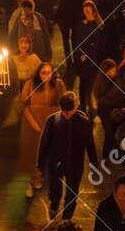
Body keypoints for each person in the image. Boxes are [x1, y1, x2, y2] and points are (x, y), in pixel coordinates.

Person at [37, 92, 95, 221]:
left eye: (69, 111)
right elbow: (44, 143)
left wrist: (94, 163)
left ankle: (66, 219)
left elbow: (89, 144)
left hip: (75, 164)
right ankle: (54, 206)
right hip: (56, 162)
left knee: (72, 193)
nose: (66, 114)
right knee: (55, 188)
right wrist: (40, 163)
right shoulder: (52, 121)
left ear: (75, 107)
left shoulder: (84, 122)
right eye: (64, 111)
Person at [18, 62, 66, 193]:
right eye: (43, 72)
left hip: (50, 122)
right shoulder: (30, 84)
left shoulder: (58, 84)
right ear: (38, 73)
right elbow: (24, 105)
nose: (46, 75)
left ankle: (44, 177)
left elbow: (64, 103)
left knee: (49, 152)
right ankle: (31, 181)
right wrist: (34, 124)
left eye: (48, 72)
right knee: (31, 152)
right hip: (31, 123)